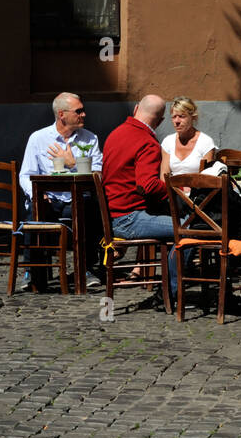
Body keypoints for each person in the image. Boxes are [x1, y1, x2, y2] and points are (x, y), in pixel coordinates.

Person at [18, 92, 104, 292]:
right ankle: (31, 270)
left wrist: (73, 163)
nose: (84, 114)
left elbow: (98, 177)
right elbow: (26, 174)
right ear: (62, 114)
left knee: (91, 209)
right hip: (49, 200)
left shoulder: (89, 139)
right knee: (34, 212)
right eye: (79, 111)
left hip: (76, 200)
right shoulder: (38, 138)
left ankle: (86, 268)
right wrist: (37, 194)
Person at [101, 94, 175, 244]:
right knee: (190, 227)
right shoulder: (148, 143)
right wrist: (175, 187)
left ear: (135, 109)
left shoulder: (115, 133)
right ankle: (178, 268)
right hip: (129, 219)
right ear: (160, 121)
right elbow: (147, 186)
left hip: (111, 216)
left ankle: (142, 268)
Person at [160, 96, 217, 178]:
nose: (177, 121)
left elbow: (208, 179)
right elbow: (164, 175)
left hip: (197, 190)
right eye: (174, 116)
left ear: (193, 117)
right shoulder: (168, 142)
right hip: (172, 189)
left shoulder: (205, 142)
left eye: (182, 116)